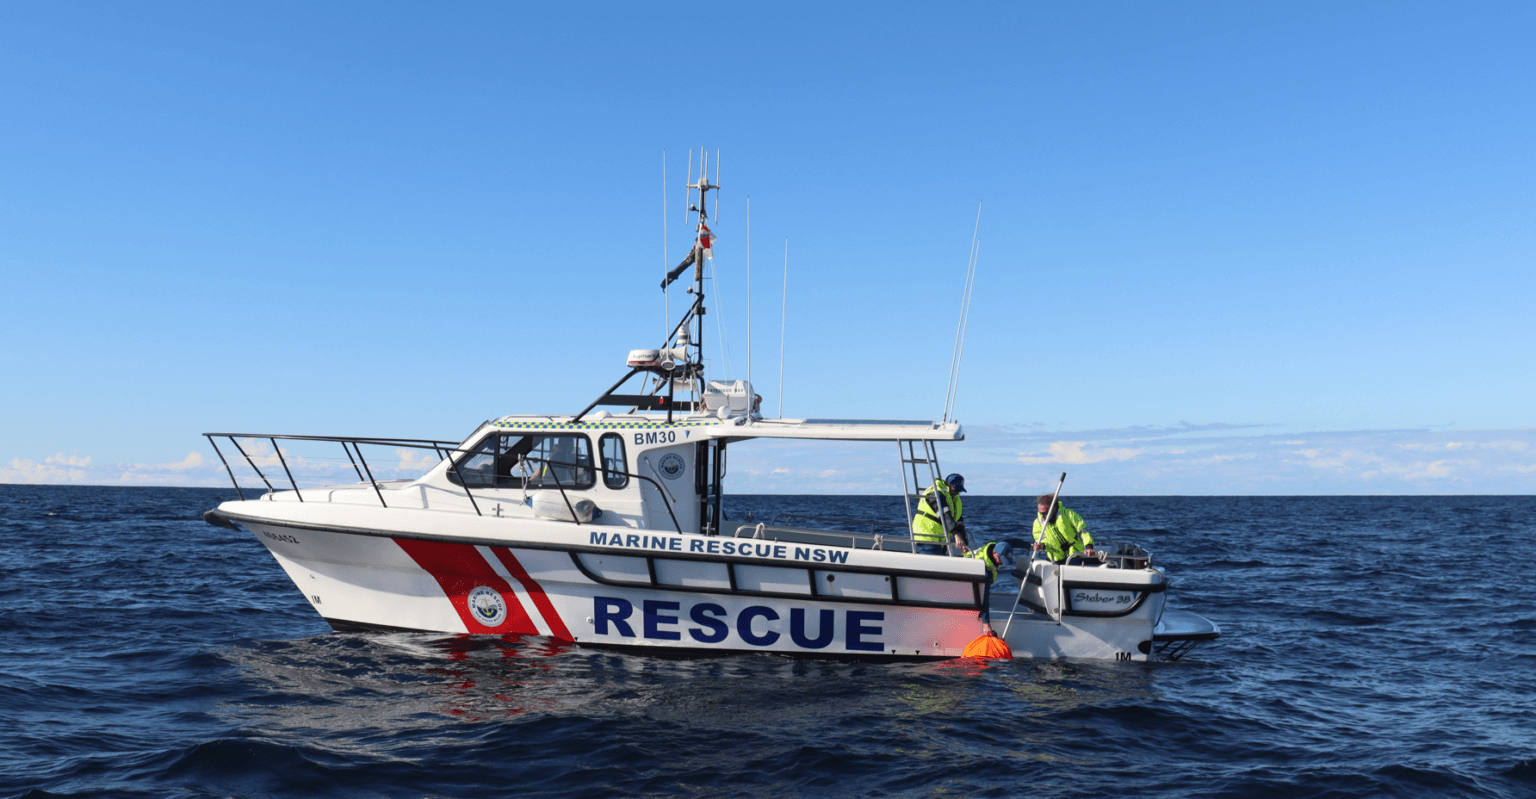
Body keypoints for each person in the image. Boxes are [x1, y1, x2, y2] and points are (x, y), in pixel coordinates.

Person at [911, 473, 968, 555]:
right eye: (955, 490)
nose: (957, 493)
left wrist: (963, 541)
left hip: (941, 538)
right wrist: (956, 535)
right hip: (927, 536)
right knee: (932, 565)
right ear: (948, 484)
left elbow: (958, 520)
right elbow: (944, 514)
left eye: (959, 491)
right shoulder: (935, 493)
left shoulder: (954, 498)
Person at [1032, 493, 1096, 564]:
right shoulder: (1037, 523)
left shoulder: (1069, 515)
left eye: (1045, 513)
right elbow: (1042, 541)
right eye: (1041, 513)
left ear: (1054, 508)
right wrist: (1042, 546)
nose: (1043, 517)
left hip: (1073, 556)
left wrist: (1089, 547)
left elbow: (1084, 532)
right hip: (1054, 559)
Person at [967, 540, 1011, 634]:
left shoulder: (993, 548)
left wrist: (1030, 546)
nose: (1002, 564)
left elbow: (1012, 542)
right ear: (994, 554)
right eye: (1001, 560)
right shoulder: (985, 572)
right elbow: (984, 598)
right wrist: (986, 622)